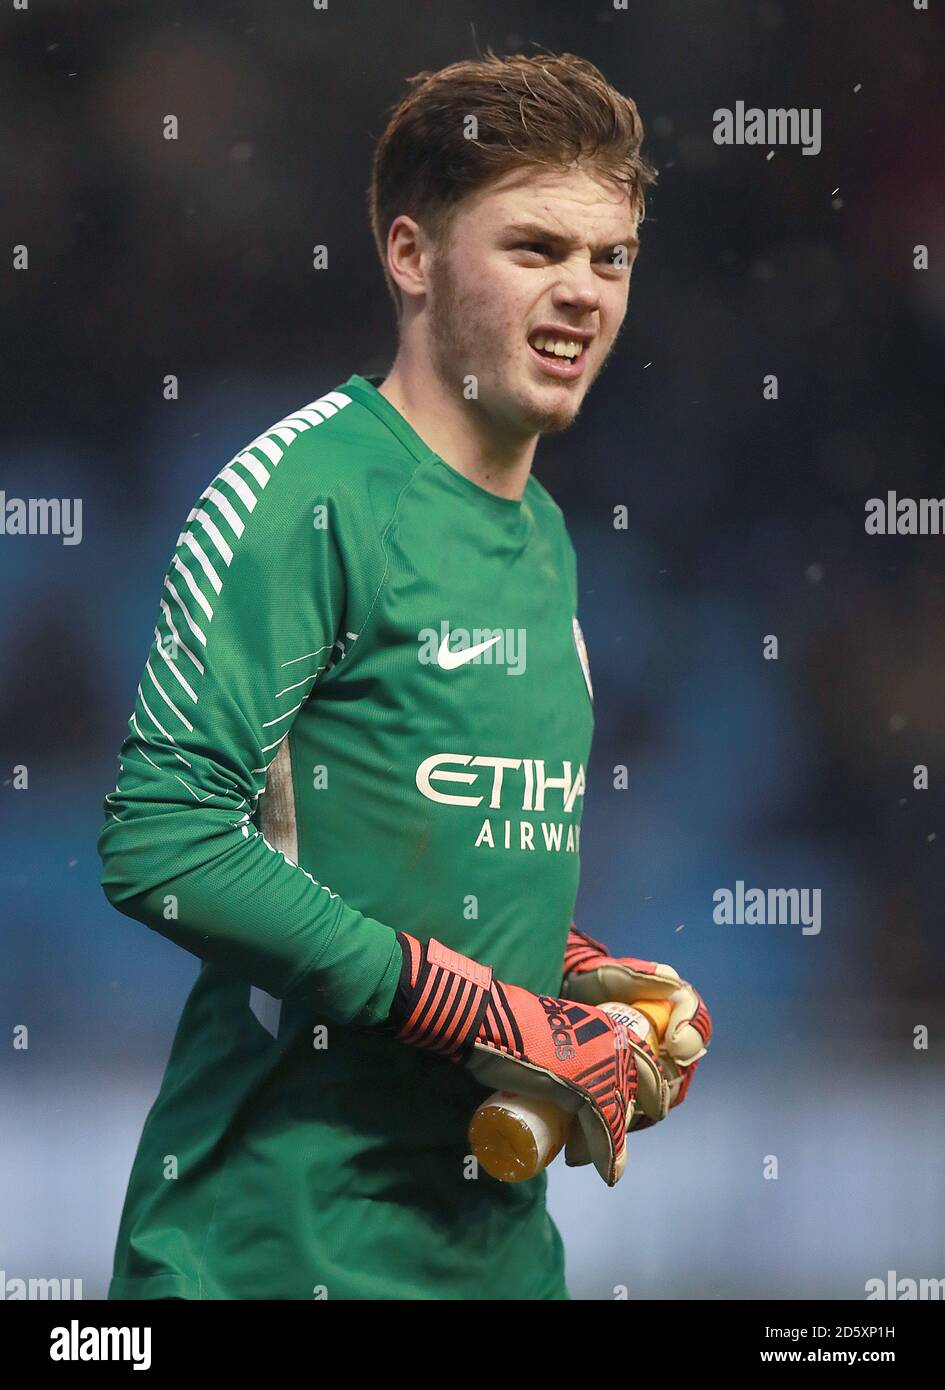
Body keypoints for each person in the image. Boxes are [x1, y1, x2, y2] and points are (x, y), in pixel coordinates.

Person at [99, 50, 711, 1301]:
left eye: (612, 258)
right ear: (412, 257)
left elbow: (412, 844)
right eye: (536, 247)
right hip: (266, 1253)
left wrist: (583, 988)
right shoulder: (301, 494)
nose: (586, 291)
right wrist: (484, 1010)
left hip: (495, 1260)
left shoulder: (547, 539)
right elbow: (161, 842)